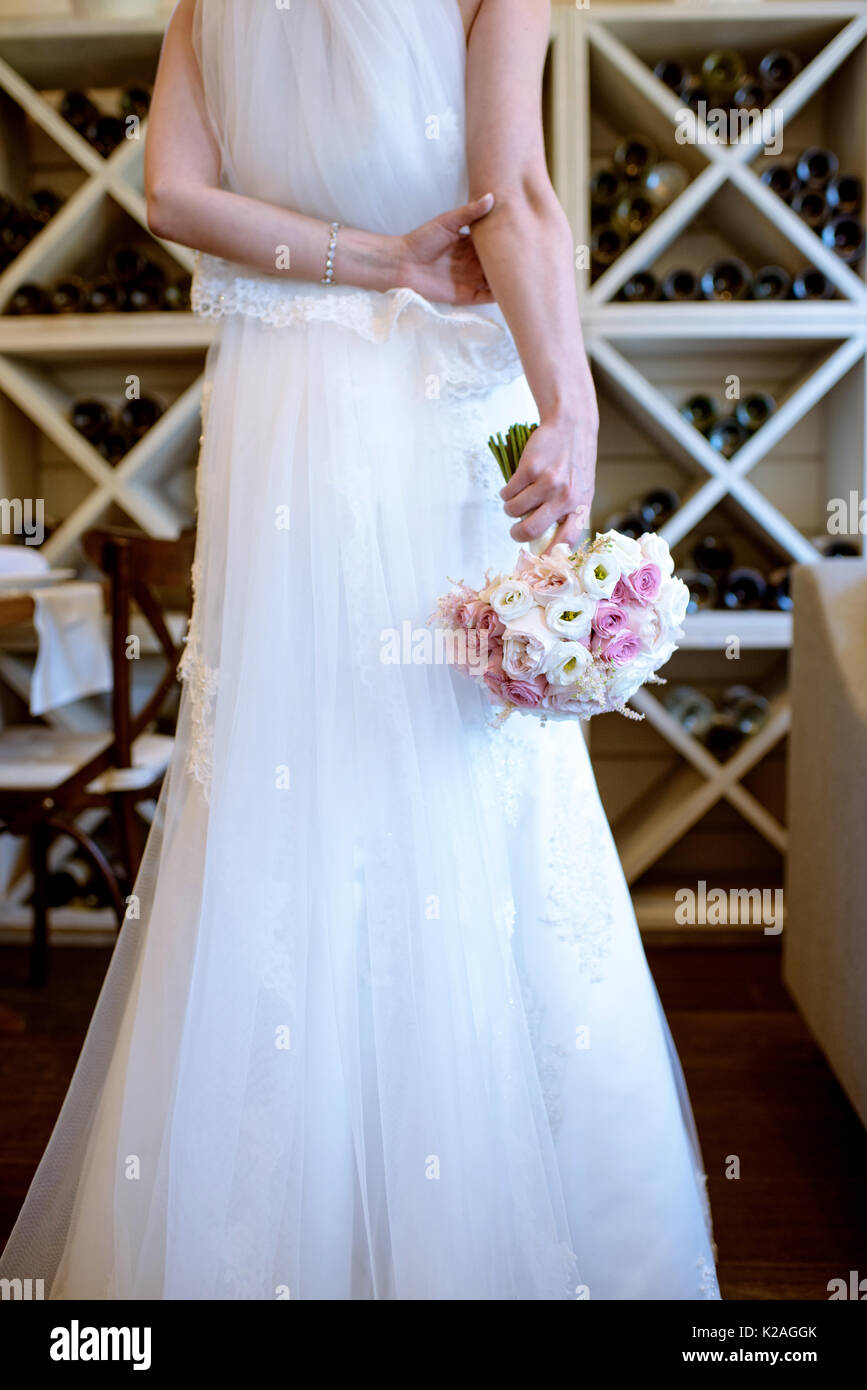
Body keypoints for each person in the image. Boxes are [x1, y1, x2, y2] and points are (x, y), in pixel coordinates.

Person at [0, 0, 719, 1300]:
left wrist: (372, 258)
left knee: (286, 780)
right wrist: (572, 403)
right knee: (461, 761)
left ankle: (278, 1221)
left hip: (286, 404)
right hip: (445, 382)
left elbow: (172, 194)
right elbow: (512, 202)